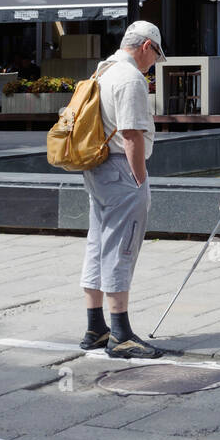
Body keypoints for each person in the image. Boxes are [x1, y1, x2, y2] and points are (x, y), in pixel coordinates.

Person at [80, 20, 165, 359]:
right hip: (121, 170)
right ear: (146, 46)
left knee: (98, 242)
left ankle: (94, 327)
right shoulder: (130, 78)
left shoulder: (104, 70)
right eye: (157, 54)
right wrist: (140, 180)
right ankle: (120, 334)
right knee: (122, 246)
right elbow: (131, 135)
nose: (155, 62)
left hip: (98, 168)